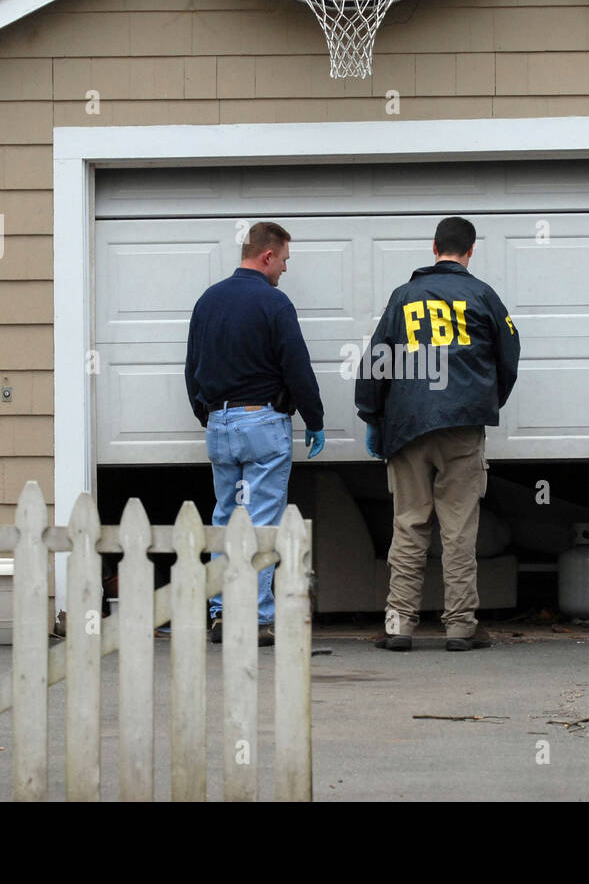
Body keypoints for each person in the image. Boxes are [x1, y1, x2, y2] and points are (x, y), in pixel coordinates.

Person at [355, 216, 520, 651]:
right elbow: (508, 358)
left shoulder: (403, 297)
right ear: (470, 251)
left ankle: (399, 626)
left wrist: (372, 416)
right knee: (459, 528)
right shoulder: (483, 296)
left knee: (409, 524)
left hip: (407, 426)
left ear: (434, 248)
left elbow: (376, 361)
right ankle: (461, 627)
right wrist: (485, 400)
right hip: (462, 425)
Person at [185, 221, 325, 646]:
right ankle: (259, 618)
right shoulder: (274, 303)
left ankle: (221, 614)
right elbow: (295, 366)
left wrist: (207, 415)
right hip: (262, 423)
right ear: (267, 256)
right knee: (262, 522)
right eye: (284, 260)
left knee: (226, 518)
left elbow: (192, 368)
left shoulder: (208, 301)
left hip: (220, 423)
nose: (284, 269)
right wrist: (314, 419)